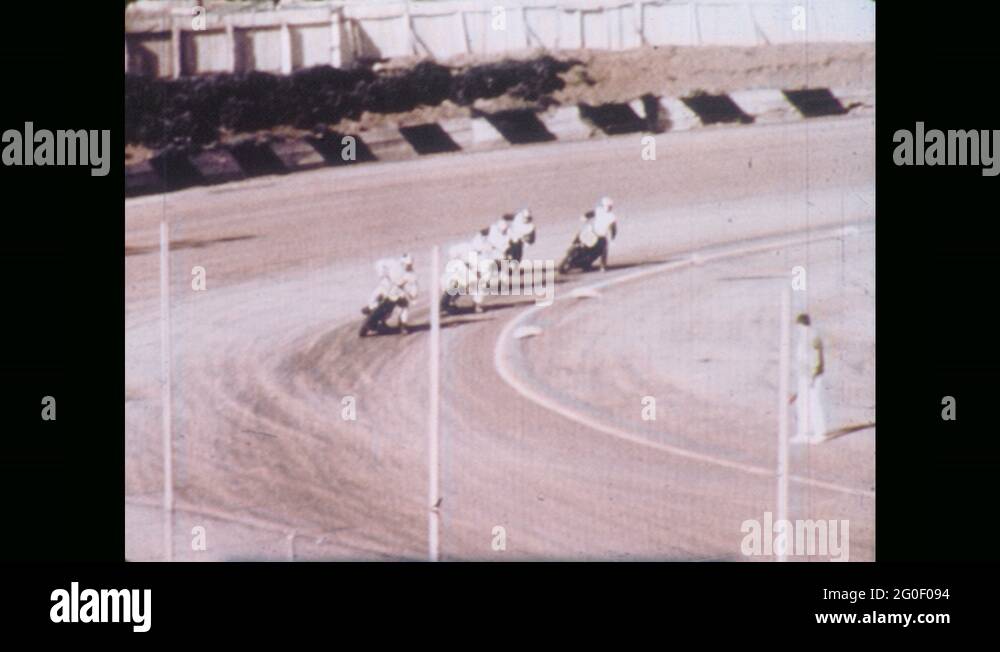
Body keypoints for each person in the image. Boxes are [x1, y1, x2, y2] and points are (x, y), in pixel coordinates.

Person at [791, 313, 827, 443]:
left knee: (814, 403)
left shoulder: (813, 337)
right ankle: (803, 433)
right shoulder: (803, 338)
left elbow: (817, 358)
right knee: (801, 404)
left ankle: (820, 433)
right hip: (803, 377)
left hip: (813, 377)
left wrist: (813, 378)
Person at [364, 253, 419, 333]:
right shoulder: (392, 263)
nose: (408, 266)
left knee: (405, 305)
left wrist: (413, 295)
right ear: (402, 262)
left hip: (397, 293)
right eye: (407, 264)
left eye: (410, 265)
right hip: (386, 286)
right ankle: (370, 306)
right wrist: (382, 274)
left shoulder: (411, 274)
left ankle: (403, 324)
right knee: (377, 292)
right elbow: (379, 263)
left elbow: (414, 286)